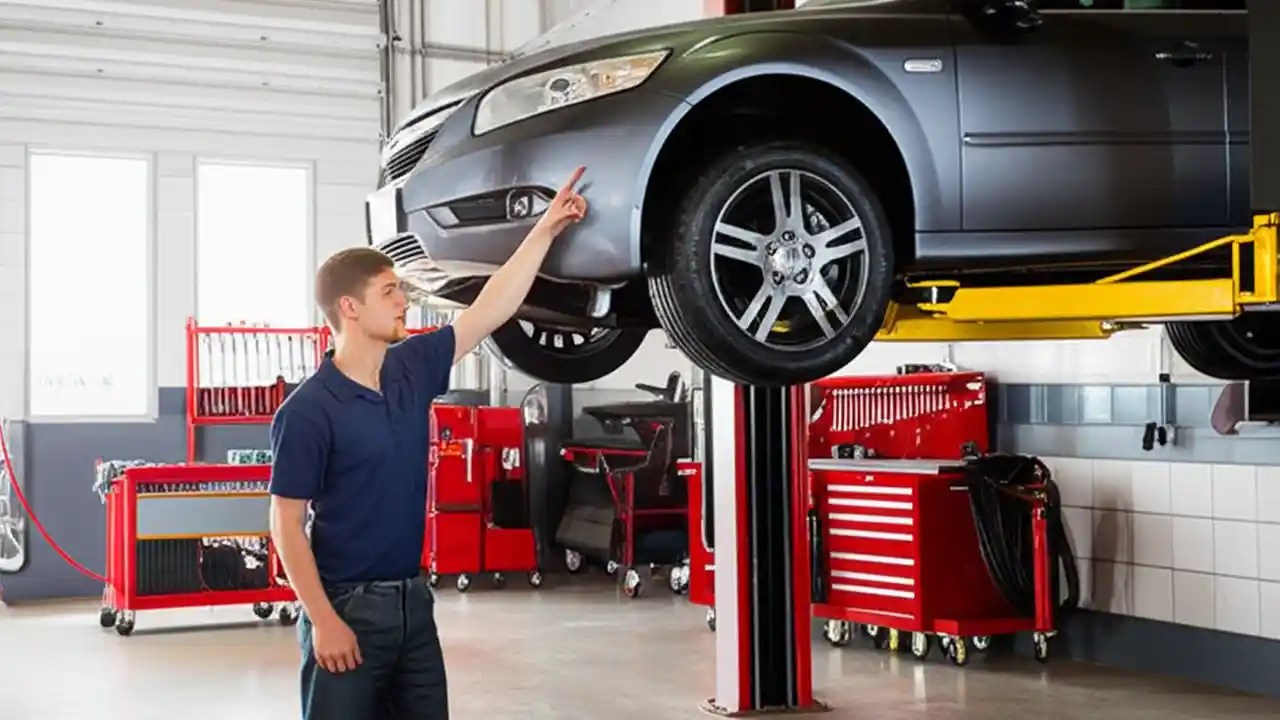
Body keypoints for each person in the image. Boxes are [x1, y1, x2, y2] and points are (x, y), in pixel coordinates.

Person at [268, 166, 588, 719]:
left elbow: (490, 308)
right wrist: (323, 620)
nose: (404, 302)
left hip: (414, 605)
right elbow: (285, 524)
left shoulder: (412, 367)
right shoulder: (308, 411)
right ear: (349, 308)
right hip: (347, 607)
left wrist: (546, 229)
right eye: (391, 291)